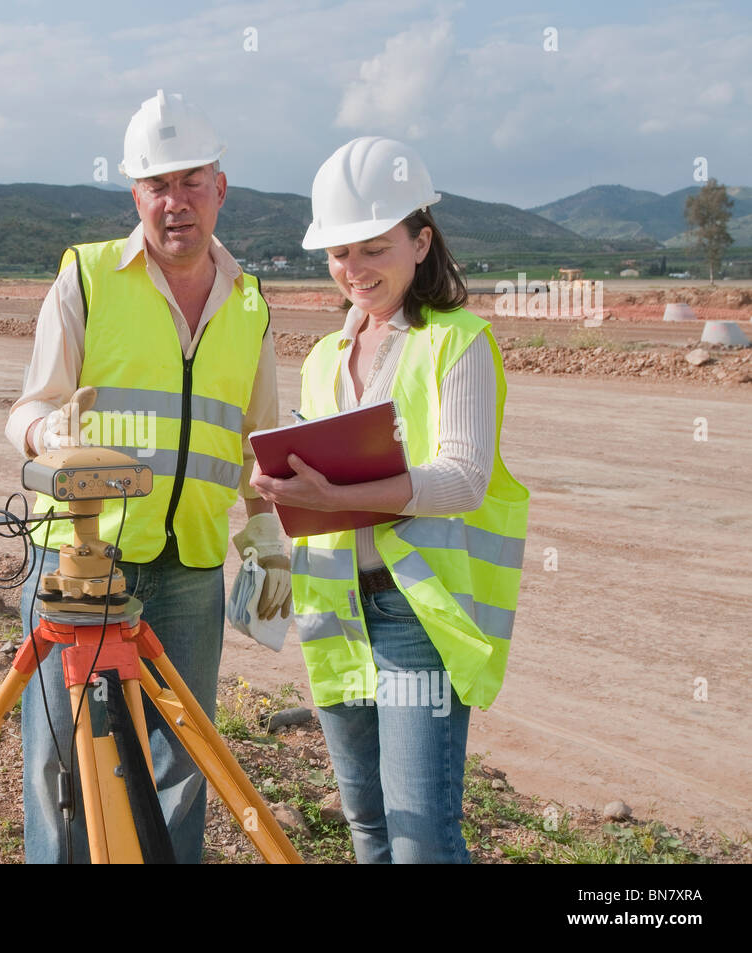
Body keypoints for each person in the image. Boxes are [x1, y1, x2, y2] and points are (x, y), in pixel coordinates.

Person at [5, 89, 288, 864]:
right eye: (158, 186)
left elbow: (256, 442)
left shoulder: (250, 303)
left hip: (191, 569)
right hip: (78, 567)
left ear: (220, 189)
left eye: (192, 180)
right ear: (135, 195)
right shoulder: (89, 278)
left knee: (184, 765)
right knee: (63, 768)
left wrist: (265, 537)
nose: (176, 202)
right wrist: (48, 429)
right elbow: (26, 406)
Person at [250, 136, 529, 864]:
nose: (355, 270)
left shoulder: (458, 344)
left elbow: (464, 478)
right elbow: (318, 491)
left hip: (415, 617)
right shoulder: (321, 360)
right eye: (340, 254)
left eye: (374, 247)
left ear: (420, 240)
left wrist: (335, 492)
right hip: (334, 607)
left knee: (420, 841)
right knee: (368, 827)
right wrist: (284, 490)